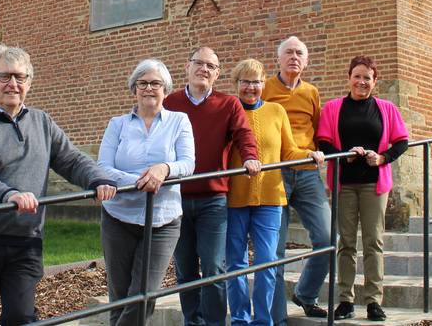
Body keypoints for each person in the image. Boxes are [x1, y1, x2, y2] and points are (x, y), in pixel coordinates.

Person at [0, 45, 117, 326]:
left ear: (29, 82)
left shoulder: (42, 123)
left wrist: (97, 178)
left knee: (21, 317)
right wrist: (9, 194)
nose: (12, 84)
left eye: (19, 77)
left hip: (26, 239)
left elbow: (71, 159)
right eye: (4, 76)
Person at [163, 46, 261, 326]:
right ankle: (192, 321)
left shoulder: (228, 104)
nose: (203, 69)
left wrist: (251, 158)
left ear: (217, 74)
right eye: (199, 63)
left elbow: (244, 134)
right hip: (176, 198)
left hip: (213, 200)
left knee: (214, 268)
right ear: (187, 66)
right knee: (184, 270)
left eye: (210, 66)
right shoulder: (170, 103)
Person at [226, 58, 325, 326]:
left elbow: (289, 151)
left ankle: (263, 321)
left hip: (271, 198)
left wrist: (309, 155)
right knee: (235, 264)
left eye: (256, 81)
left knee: (268, 263)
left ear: (263, 84)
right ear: (236, 84)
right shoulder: (229, 110)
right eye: (245, 81)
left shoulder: (276, 111)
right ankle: (239, 319)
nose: (251, 87)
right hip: (234, 200)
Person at [98, 59, 195, 326]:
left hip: (162, 219)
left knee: (144, 294)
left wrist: (163, 169)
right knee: (119, 295)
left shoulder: (179, 121)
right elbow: (103, 167)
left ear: (165, 90)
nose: (149, 88)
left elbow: (187, 164)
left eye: (156, 83)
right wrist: (140, 181)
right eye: (143, 83)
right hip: (117, 216)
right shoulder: (117, 124)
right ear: (134, 89)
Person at [316, 55, 410, 322]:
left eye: (367, 78)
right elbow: (323, 142)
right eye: (357, 76)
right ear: (349, 78)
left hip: (374, 185)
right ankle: (345, 300)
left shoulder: (386, 109)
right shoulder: (334, 108)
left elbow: (401, 142)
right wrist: (344, 155)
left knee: (373, 242)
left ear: (374, 81)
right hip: (343, 184)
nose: (361, 82)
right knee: (346, 243)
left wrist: (381, 158)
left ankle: (373, 301)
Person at [263, 36, 333, 323]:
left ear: (306, 62)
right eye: (288, 52)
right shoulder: (265, 88)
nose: (293, 57)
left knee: (329, 238)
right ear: (278, 59)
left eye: (299, 53)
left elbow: (317, 130)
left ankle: (306, 294)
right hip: (275, 172)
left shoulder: (311, 92)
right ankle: (276, 316)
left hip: (306, 172)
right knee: (274, 248)